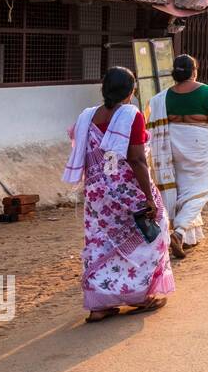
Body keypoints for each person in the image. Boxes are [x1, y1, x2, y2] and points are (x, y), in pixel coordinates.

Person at [63, 66, 174, 322]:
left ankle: (99, 305)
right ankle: (141, 295)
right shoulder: (129, 115)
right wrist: (148, 195)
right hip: (125, 188)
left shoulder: (88, 116)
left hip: (96, 194)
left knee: (100, 243)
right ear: (131, 92)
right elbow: (136, 159)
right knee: (153, 232)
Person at [146, 55, 208, 259]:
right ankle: (179, 231)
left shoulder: (162, 97)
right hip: (197, 143)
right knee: (201, 190)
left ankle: (189, 236)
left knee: (180, 188)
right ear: (194, 70)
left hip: (171, 144)